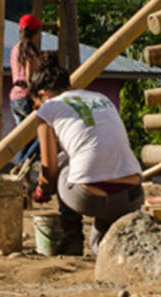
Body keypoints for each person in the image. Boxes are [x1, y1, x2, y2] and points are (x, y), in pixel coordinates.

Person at [27, 62, 144, 253]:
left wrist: (42, 191)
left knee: (65, 161)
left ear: (43, 94)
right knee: (99, 245)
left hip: (90, 198)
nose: (36, 108)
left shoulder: (48, 108)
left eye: (36, 102)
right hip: (132, 195)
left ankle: (71, 238)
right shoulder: (100, 97)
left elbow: (49, 168)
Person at [9, 15, 47, 165]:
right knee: (45, 132)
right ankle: (25, 162)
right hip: (27, 95)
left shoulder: (15, 48)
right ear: (36, 32)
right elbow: (31, 76)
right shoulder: (29, 49)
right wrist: (37, 98)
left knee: (24, 138)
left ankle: (21, 167)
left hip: (15, 95)